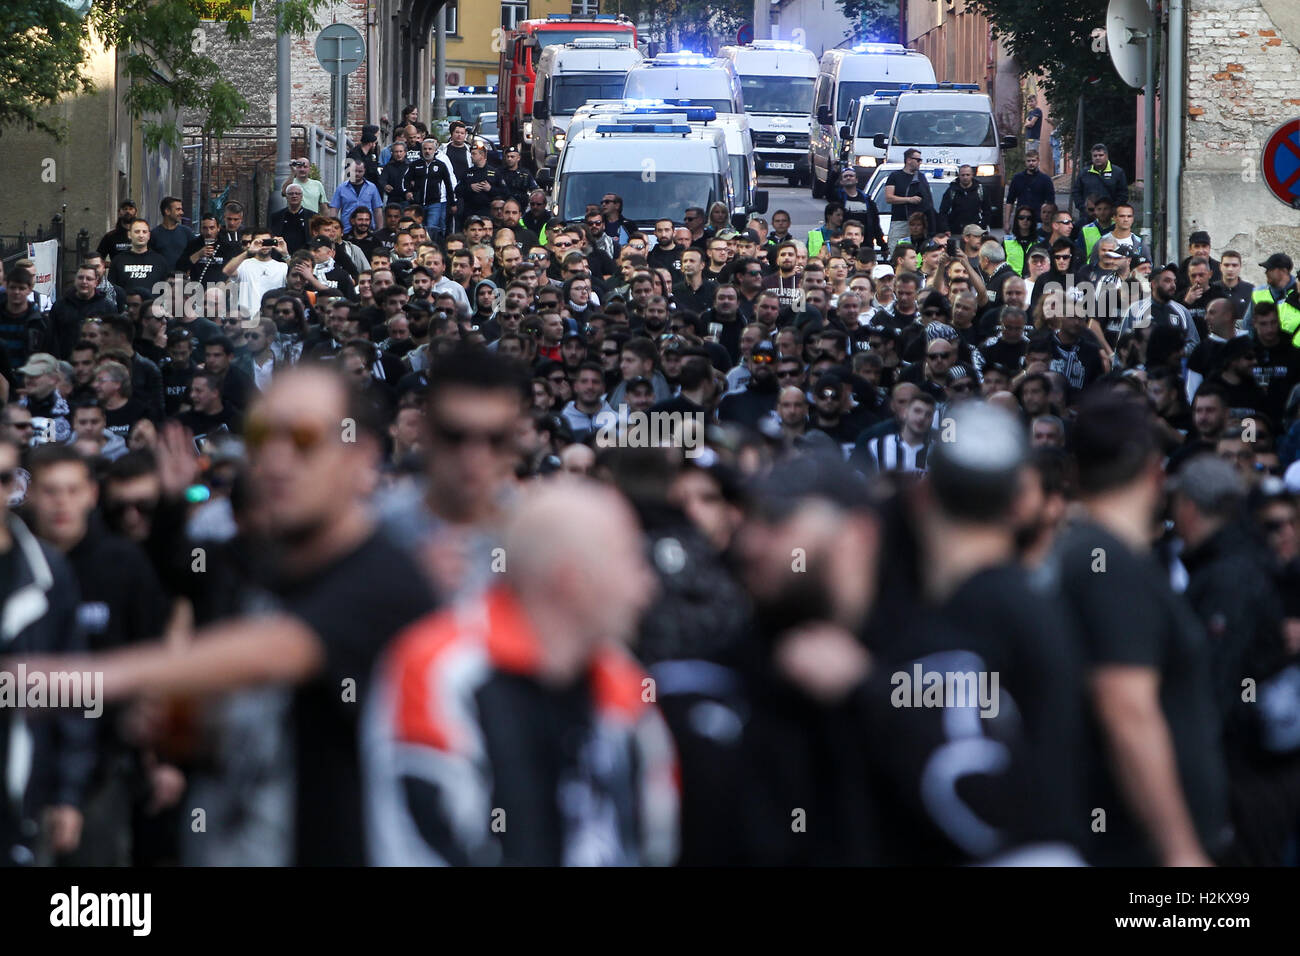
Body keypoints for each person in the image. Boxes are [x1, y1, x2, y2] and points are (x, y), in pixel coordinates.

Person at [17, 370, 438, 865]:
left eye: (304, 437)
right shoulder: (261, 568)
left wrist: (78, 680)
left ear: (363, 458)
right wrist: (190, 725)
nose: (277, 457)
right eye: (262, 435)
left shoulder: (387, 575)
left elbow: (281, 650)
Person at [364, 479, 678, 866]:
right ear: (572, 581)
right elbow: (419, 850)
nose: (645, 588)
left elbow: (652, 839)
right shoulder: (439, 670)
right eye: (631, 560)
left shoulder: (625, 685)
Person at [1054, 389, 1228, 866]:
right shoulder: (1106, 564)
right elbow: (1126, 710)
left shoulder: (1096, 555)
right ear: (1156, 473)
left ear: (1073, 474)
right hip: (1137, 852)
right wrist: (1180, 850)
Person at [883, 149, 935, 250]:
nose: (920, 162)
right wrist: (909, 199)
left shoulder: (921, 177)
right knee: (897, 251)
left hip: (918, 224)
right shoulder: (895, 176)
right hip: (900, 221)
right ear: (908, 160)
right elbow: (889, 198)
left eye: (921, 160)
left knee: (918, 252)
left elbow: (928, 201)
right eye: (918, 160)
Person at [1069, 143, 1129, 220]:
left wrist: (1113, 209)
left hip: (1111, 217)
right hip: (1088, 217)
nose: (1097, 158)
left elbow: (1123, 194)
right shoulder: (1084, 173)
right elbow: (1076, 192)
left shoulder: (1117, 172)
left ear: (1106, 156)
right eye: (1095, 156)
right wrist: (1083, 208)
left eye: (1100, 155)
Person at [1004, 150, 1055, 230]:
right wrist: (1007, 222)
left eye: (1033, 161)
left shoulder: (1046, 180)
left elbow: (1051, 204)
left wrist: (1050, 223)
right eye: (1028, 161)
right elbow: (1010, 201)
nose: (1031, 163)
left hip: (1039, 221)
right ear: (1025, 162)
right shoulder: (1017, 178)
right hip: (1020, 220)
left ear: (1038, 161)